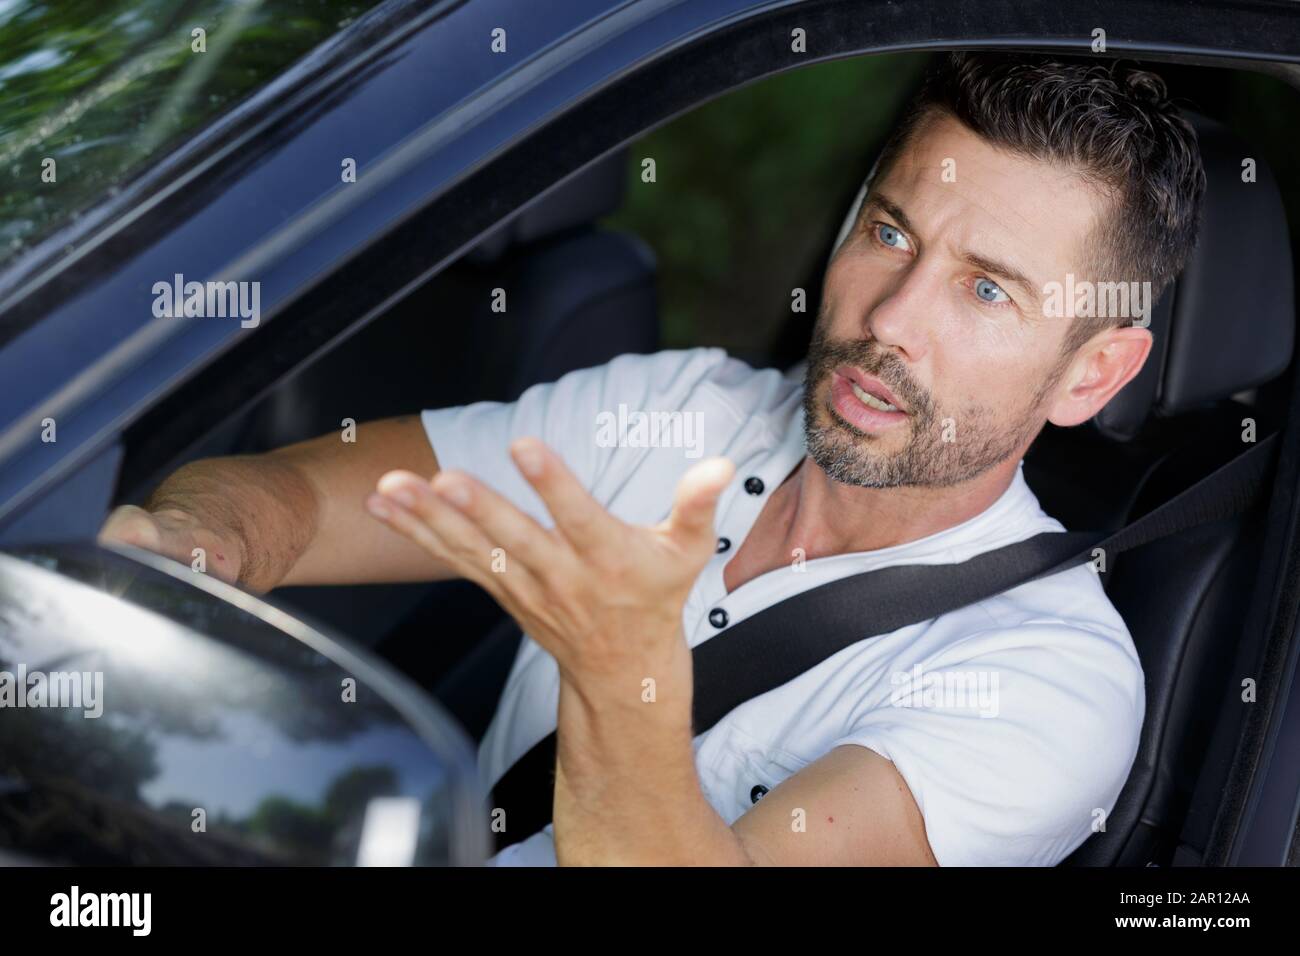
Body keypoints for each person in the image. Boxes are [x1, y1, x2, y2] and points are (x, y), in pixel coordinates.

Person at [100, 52, 1206, 866]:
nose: (893, 318)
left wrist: (618, 671)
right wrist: (187, 542)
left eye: (984, 289)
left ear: (1091, 374)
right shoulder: (677, 408)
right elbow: (302, 492)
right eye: (888, 232)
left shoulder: (1050, 684)